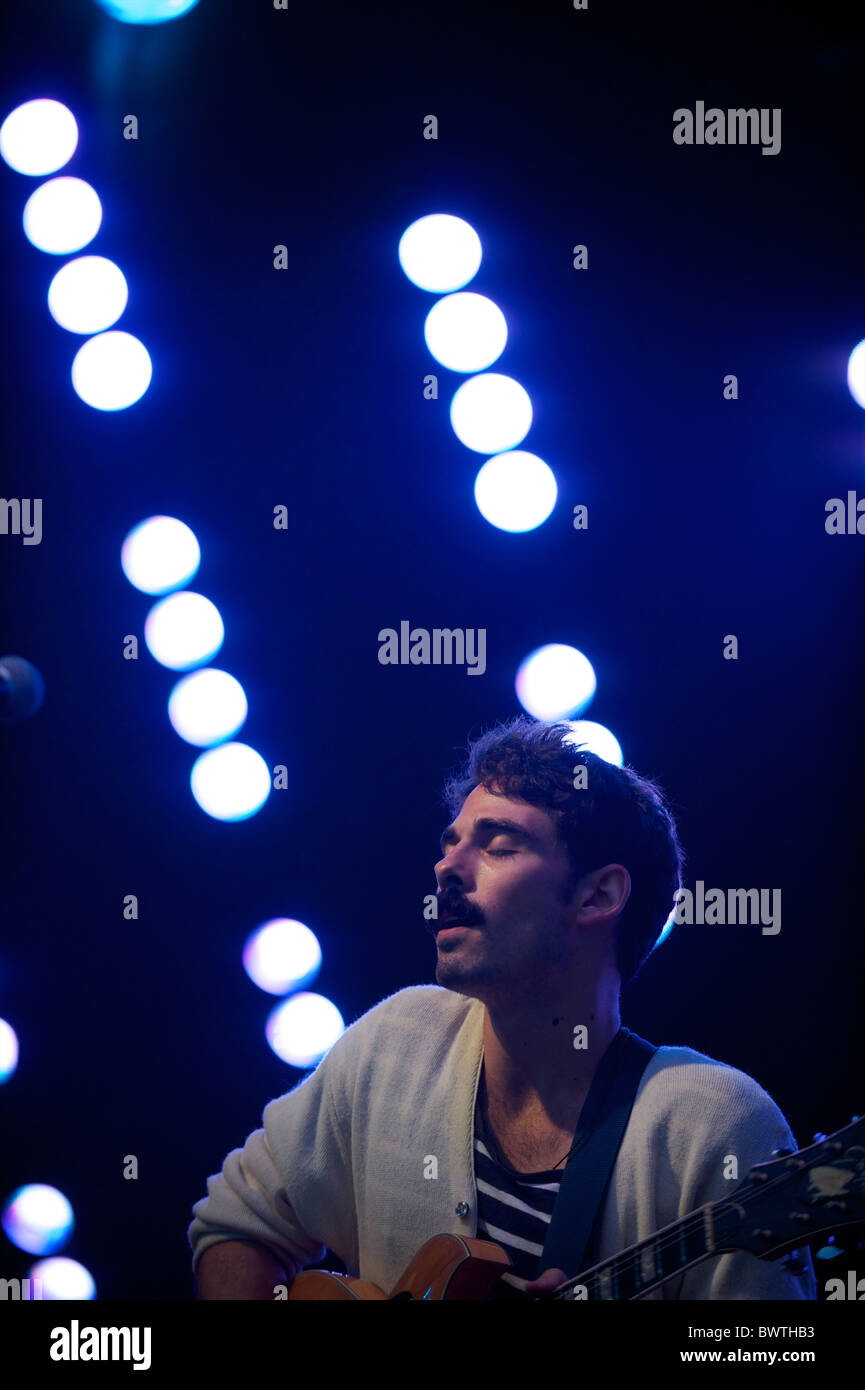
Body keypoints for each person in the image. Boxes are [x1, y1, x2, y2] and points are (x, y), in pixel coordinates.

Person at [188, 717, 815, 1300]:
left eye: (498, 844)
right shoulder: (395, 1042)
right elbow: (237, 1227)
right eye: (452, 841)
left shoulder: (715, 1125)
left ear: (599, 895)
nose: (445, 866)